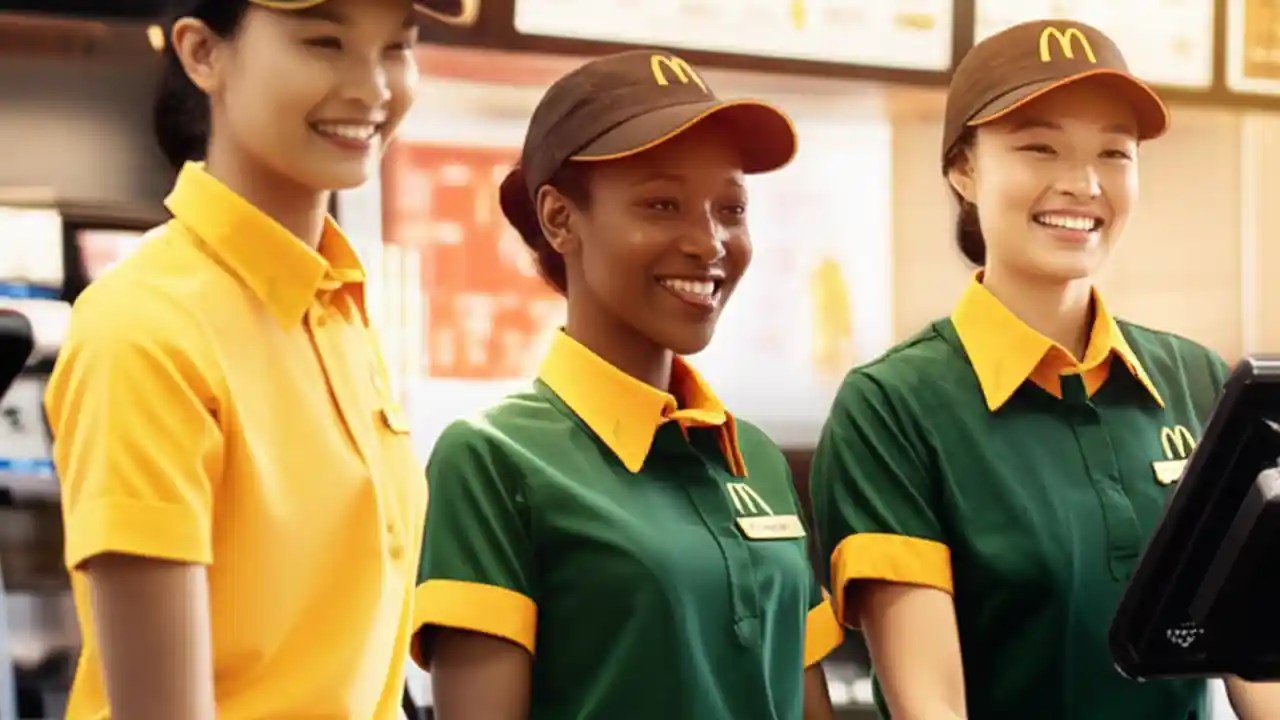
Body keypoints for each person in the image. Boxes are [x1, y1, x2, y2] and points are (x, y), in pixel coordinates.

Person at [809, 19, 1280, 720]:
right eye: (1039, 147)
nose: (1083, 184)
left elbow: (1258, 663)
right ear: (962, 169)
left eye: (1114, 154)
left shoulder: (1197, 380)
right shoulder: (892, 407)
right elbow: (930, 707)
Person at [43, 0, 470, 717]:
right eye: (325, 41)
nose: (372, 87)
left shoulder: (338, 309)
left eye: (397, 47)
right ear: (203, 53)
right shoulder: (145, 330)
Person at [411, 49, 844, 719]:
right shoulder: (491, 461)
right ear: (559, 219)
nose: (709, 242)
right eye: (662, 204)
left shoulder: (752, 457)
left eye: (731, 208)